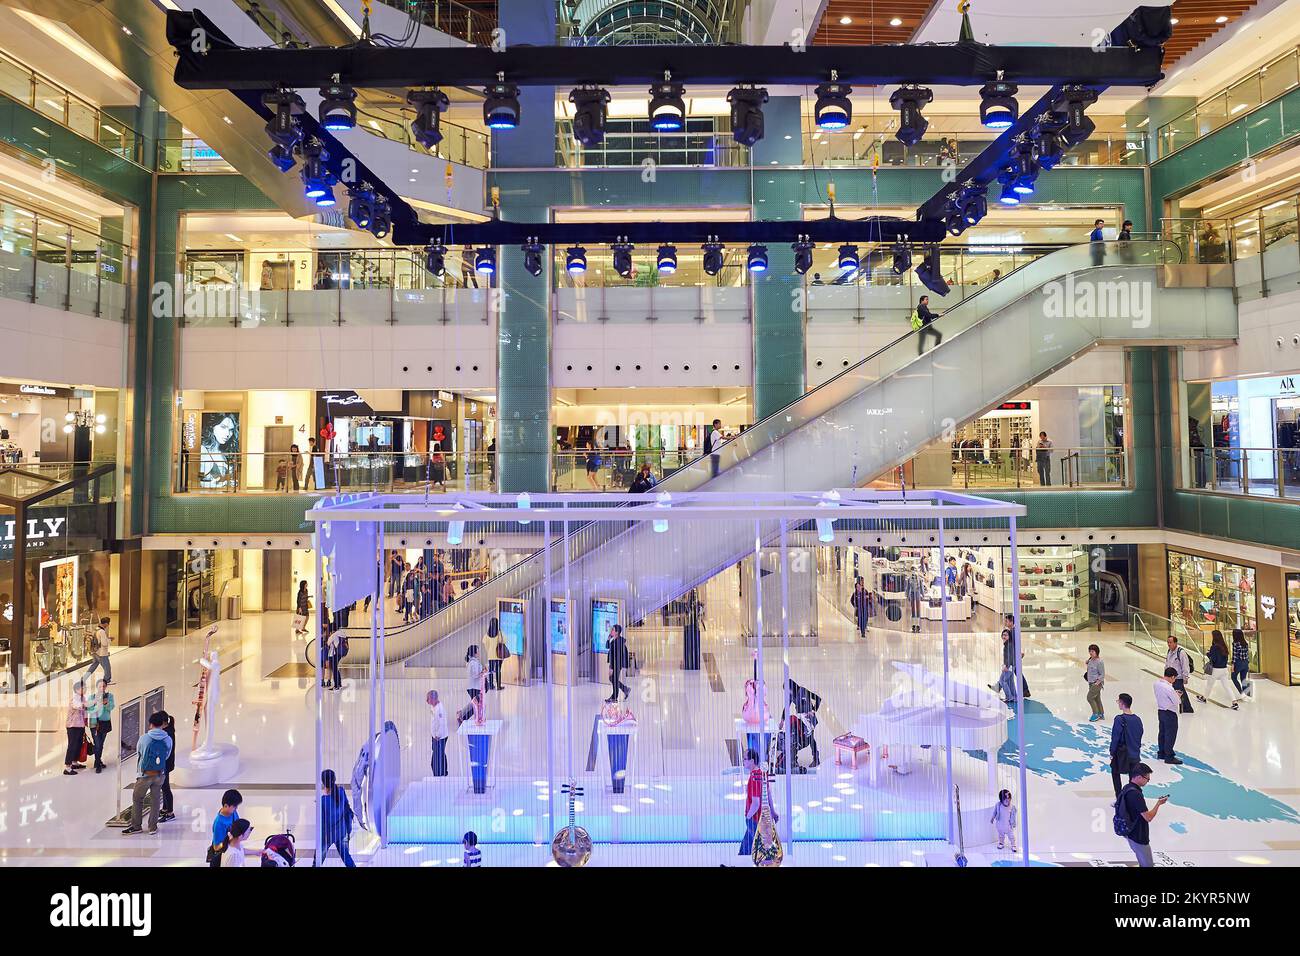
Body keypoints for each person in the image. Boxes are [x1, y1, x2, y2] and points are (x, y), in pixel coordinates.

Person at [122, 711, 172, 835]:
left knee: (138, 799)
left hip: (144, 774)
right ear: (162, 724)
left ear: (150, 724)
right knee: (155, 800)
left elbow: (139, 753)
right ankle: (152, 827)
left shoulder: (144, 738)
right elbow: (167, 755)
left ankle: (136, 826)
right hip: (160, 774)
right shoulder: (168, 739)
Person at [1116, 763, 1168, 868]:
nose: (1147, 781)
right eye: (1147, 779)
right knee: (1147, 864)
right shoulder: (1136, 794)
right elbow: (1148, 817)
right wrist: (1158, 804)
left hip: (1129, 832)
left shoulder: (1126, 788)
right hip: (1138, 835)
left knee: (1141, 858)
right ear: (1139, 777)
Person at [1109, 693, 1144, 798]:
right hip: (1135, 753)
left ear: (1122, 703)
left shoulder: (1119, 719)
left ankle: (1119, 798)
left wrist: (1112, 752)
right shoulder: (1138, 719)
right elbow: (1140, 734)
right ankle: (1132, 798)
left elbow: (1115, 737)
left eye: (1118, 701)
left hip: (1122, 754)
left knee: (1115, 773)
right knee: (1133, 778)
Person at [320, 769, 356, 867]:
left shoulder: (322, 801)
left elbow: (322, 823)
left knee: (317, 861)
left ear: (323, 782)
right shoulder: (341, 791)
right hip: (342, 832)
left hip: (326, 836)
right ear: (334, 779)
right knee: (347, 859)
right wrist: (348, 830)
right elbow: (347, 811)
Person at [1197, 628, 1239, 710]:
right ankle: (1234, 702)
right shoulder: (1224, 646)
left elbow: (1214, 659)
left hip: (1215, 670)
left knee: (1209, 685)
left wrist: (1208, 654)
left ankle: (1204, 698)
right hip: (1224, 669)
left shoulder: (1214, 647)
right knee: (1227, 687)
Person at [739, 748, 767, 855]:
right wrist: (773, 812)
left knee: (752, 849)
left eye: (745, 759)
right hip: (758, 818)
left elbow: (756, 803)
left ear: (752, 761)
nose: (743, 761)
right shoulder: (761, 774)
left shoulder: (755, 776)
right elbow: (768, 794)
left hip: (754, 819)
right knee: (746, 848)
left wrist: (748, 816)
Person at [1154, 666, 1183, 765]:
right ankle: (1169, 756)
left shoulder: (1157, 684)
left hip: (1161, 711)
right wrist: (1177, 695)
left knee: (1162, 732)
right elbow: (1177, 701)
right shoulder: (1169, 688)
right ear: (1172, 677)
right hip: (1170, 713)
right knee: (1170, 734)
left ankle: (1161, 752)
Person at [208, 789, 244, 867]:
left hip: (231, 850)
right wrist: (229, 840)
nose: (236, 808)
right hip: (221, 857)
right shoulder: (219, 823)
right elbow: (216, 847)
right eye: (234, 806)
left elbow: (237, 824)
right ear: (226, 806)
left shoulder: (232, 812)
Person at [86, 678, 114, 773]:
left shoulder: (109, 696)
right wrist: (97, 705)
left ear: (106, 687)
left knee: (101, 744)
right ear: (97, 687)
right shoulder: (92, 697)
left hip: (105, 722)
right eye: (100, 686)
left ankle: (97, 760)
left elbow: (112, 707)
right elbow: (88, 709)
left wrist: (106, 704)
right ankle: (98, 764)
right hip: (95, 723)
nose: (102, 688)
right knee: (97, 744)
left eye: (104, 686)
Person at [1164, 634, 1194, 714]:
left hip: (1178, 677)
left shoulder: (1181, 652)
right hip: (1170, 678)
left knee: (1181, 693)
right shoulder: (1169, 651)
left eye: (1170, 642)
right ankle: (1176, 707)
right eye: (1168, 642)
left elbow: (1185, 665)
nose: (1169, 644)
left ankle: (1187, 709)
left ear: (1175, 643)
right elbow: (1167, 663)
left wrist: (1185, 677)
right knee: (1172, 692)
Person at [457, 644, 485, 726]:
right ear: (475, 652)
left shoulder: (472, 662)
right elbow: (475, 675)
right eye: (478, 651)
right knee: (476, 705)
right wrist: (483, 673)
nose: (479, 652)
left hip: (473, 686)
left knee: (474, 704)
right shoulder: (473, 663)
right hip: (474, 687)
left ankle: (462, 714)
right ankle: (462, 717)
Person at [64, 681, 87, 775]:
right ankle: (67, 767)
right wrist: (87, 704)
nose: (84, 689)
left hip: (80, 725)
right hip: (72, 726)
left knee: (78, 744)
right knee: (72, 745)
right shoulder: (74, 699)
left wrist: (85, 721)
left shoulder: (83, 698)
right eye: (83, 688)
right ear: (77, 689)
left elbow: (85, 710)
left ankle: (74, 762)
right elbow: (77, 706)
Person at [159, 711, 177, 823]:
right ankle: (165, 808)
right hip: (167, 763)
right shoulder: (168, 730)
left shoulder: (167, 734)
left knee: (165, 788)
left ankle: (170, 812)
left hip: (166, 763)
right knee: (164, 786)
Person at [606, 623, 630, 703]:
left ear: (616, 632)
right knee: (613, 679)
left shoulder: (618, 642)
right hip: (615, 663)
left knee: (613, 679)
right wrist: (608, 639)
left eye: (613, 629)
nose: (611, 631)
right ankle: (624, 690)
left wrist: (612, 667)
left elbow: (616, 656)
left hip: (617, 664)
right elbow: (607, 647)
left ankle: (615, 697)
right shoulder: (615, 640)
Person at [85, 616, 112, 685]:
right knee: (107, 668)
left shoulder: (96, 629)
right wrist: (109, 640)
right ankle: (107, 680)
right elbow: (104, 643)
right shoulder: (102, 631)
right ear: (105, 623)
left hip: (95, 652)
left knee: (93, 667)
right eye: (108, 623)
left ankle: (83, 679)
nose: (108, 625)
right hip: (102, 653)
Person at [428, 689, 449, 776]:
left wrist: (437, 735)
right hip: (435, 737)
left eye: (428, 699)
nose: (427, 701)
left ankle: (439, 774)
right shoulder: (433, 707)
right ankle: (443, 772)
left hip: (439, 738)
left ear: (434, 699)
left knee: (437, 758)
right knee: (439, 755)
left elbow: (442, 723)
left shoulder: (440, 710)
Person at [1231, 628, 1254, 702]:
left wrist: (1232, 665)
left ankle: (1242, 693)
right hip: (1245, 662)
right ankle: (1248, 695)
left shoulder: (1235, 643)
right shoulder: (1245, 643)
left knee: (1233, 677)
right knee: (1243, 679)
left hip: (1238, 662)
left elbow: (1235, 655)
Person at [1085, 644, 1106, 721]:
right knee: (1097, 698)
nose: (1091, 653)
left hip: (1096, 683)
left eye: (1092, 651)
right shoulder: (1090, 660)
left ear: (1097, 652)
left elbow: (1102, 674)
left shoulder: (1099, 662)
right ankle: (1101, 713)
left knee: (1089, 698)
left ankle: (1095, 714)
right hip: (1090, 682)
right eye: (1090, 651)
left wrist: (1098, 682)